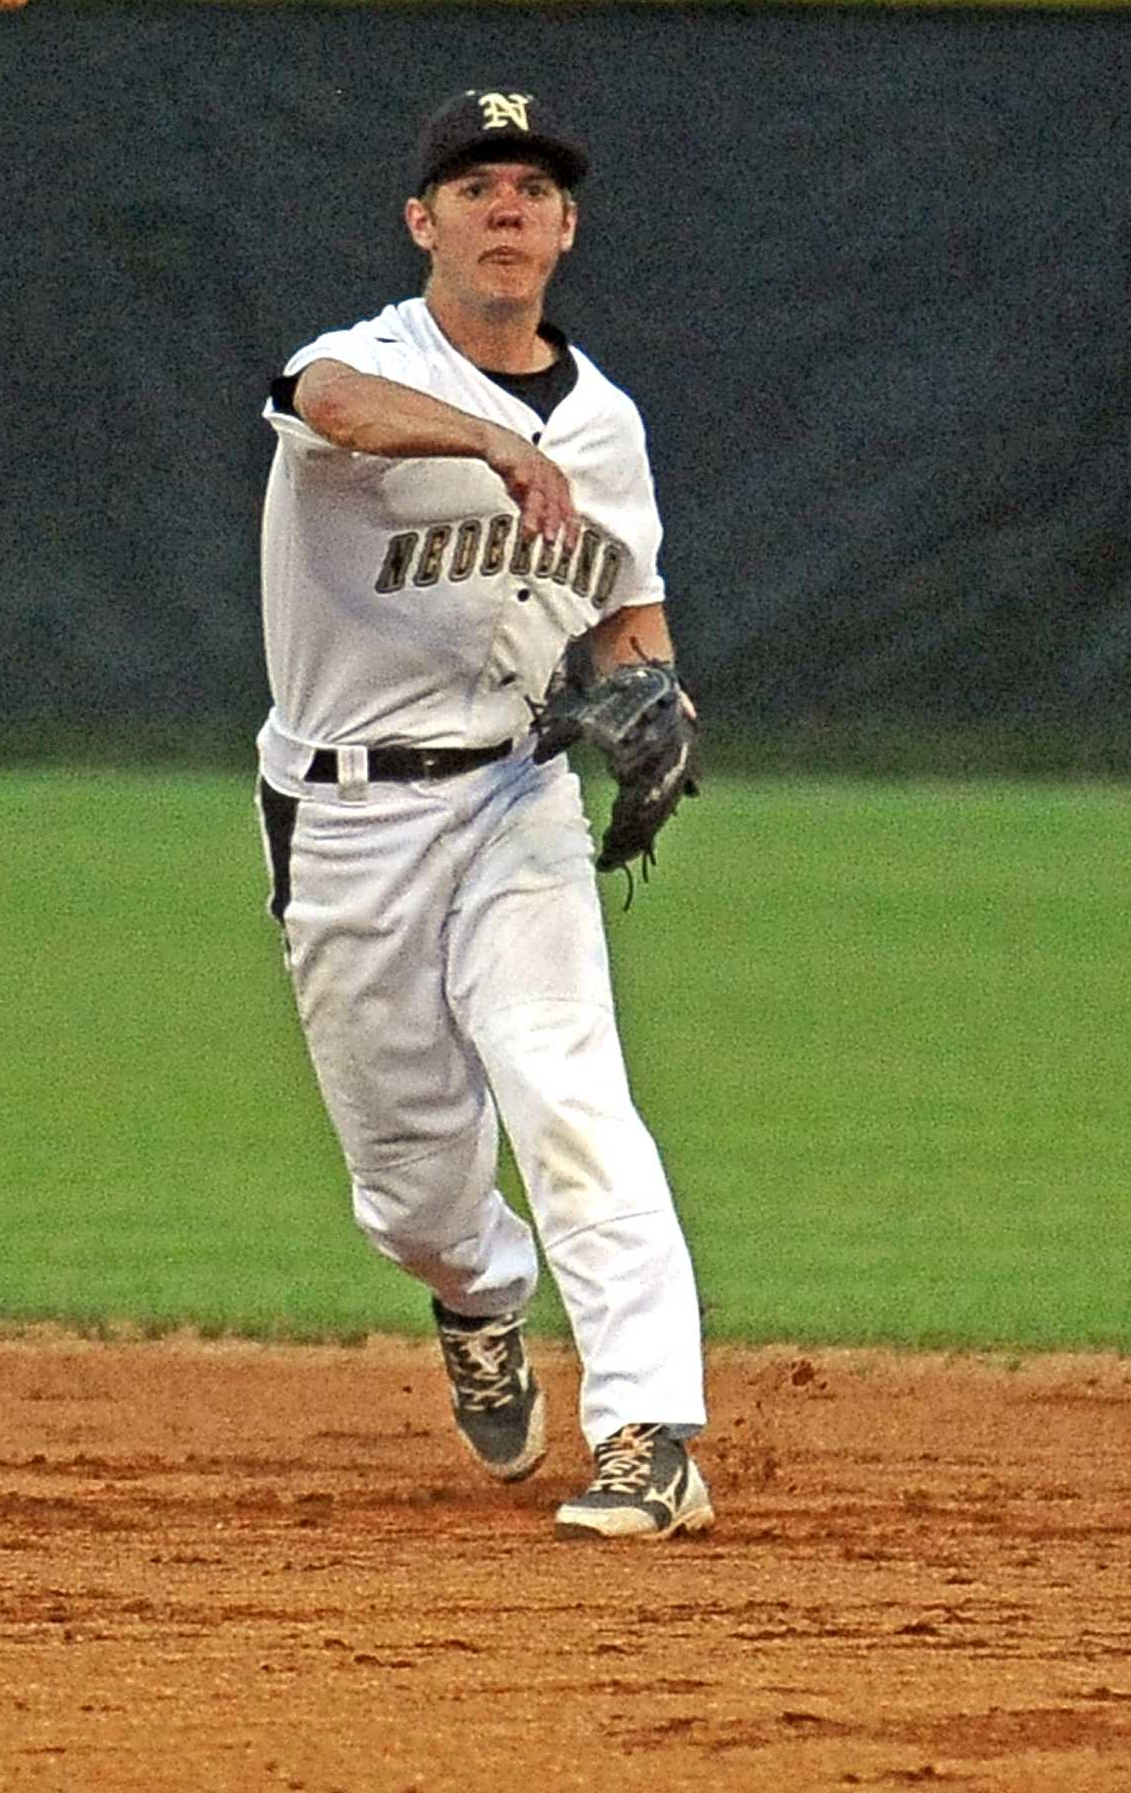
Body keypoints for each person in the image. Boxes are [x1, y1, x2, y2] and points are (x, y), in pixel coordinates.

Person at [254, 87, 711, 1541]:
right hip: (343, 820)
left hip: (517, 794)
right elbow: (323, 407)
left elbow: (628, 603)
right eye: (475, 185)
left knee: (572, 1095)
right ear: (423, 223)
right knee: (412, 1194)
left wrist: (656, 701)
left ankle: (651, 1433)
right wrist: (499, 447)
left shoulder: (608, 422)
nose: (504, 206)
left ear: (567, 229)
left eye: (532, 188)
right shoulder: (363, 361)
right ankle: (479, 1296)